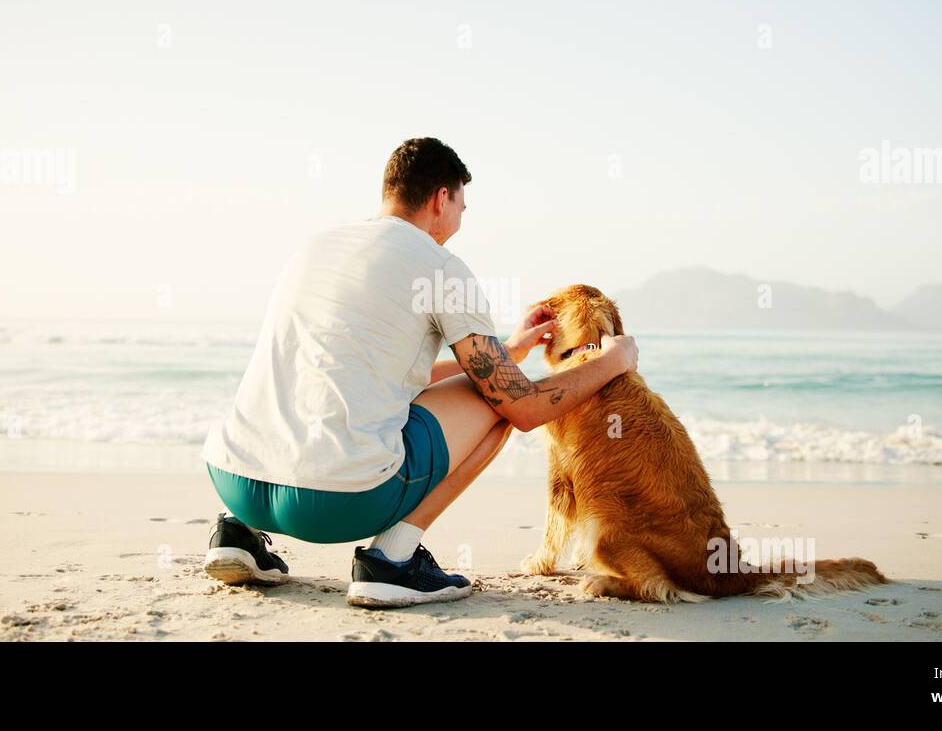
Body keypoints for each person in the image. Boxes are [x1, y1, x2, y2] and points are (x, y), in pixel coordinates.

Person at [201, 137, 638, 608]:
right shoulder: (440, 267)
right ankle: (392, 562)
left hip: (233, 478)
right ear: (441, 198)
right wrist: (614, 360)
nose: (459, 222)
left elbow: (377, 371)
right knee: (497, 407)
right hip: (334, 505)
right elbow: (524, 406)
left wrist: (508, 350)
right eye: (462, 208)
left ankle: (236, 535)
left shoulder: (316, 246)